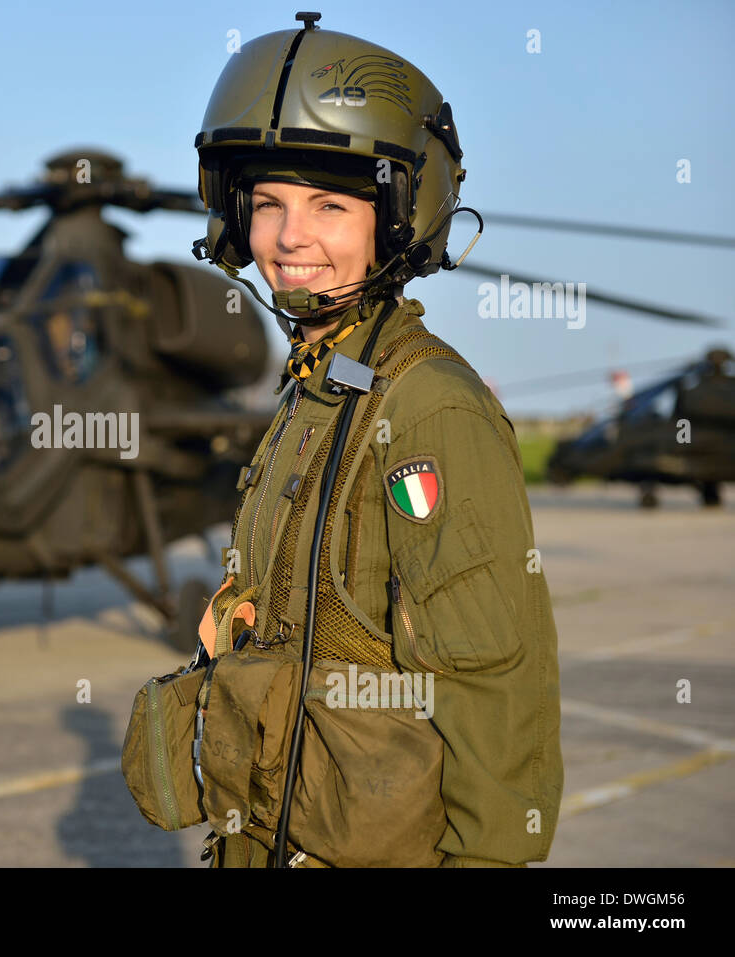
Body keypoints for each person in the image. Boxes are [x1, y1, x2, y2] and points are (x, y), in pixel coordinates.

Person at [185, 14, 563, 867]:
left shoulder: (427, 407)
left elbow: (492, 683)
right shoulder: (314, 390)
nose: (290, 239)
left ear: (397, 217)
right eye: (269, 204)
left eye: (329, 205)